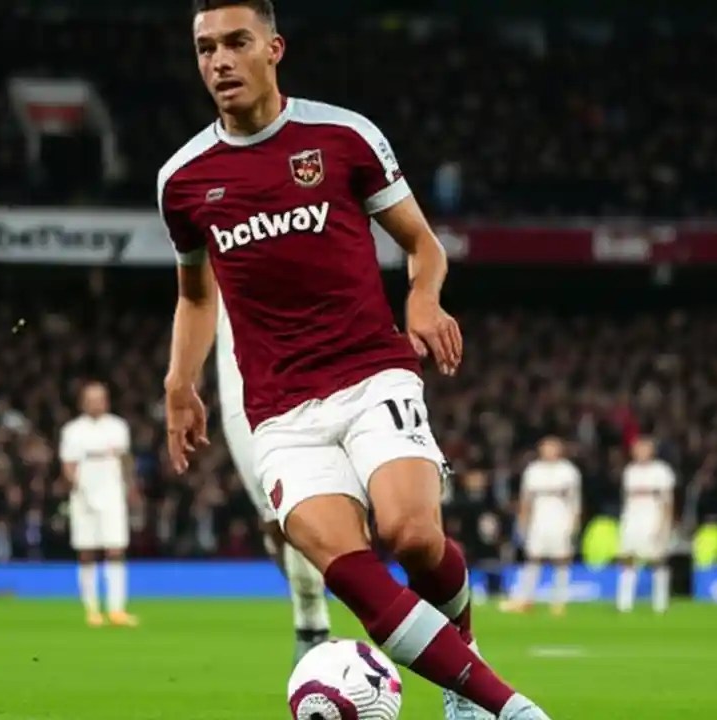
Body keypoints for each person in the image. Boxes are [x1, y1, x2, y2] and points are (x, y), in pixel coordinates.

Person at [158, 2, 551, 718]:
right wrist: (180, 382)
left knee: (413, 537)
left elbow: (423, 244)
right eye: (205, 47)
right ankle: (511, 710)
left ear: (273, 48)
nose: (219, 61)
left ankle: (464, 665)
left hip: (372, 374)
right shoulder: (183, 181)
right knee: (359, 579)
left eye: (235, 43)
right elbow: (194, 295)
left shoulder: (342, 137)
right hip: (279, 413)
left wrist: (424, 300)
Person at [216, 301, 331, 663]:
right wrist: (181, 378)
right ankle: (308, 609)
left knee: (310, 503)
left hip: (319, 344)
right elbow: (195, 293)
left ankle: (313, 625)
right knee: (274, 516)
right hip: (240, 357)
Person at [60, 381, 138, 627]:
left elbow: (125, 460)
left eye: (100, 398)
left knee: (116, 549)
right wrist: (77, 488)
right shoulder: (73, 431)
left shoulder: (118, 427)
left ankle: (116, 609)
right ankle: (92, 609)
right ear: (83, 402)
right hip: (84, 494)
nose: (96, 403)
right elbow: (68, 465)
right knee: (87, 551)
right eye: (90, 399)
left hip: (112, 492)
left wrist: (131, 488)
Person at [500, 437, 582, 616]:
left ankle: (559, 602)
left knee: (561, 560)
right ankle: (526, 600)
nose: (549, 451)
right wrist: (522, 523)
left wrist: (574, 522)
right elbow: (525, 500)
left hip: (561, 520)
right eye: (545, 447)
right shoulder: (533, 470)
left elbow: (575, 501)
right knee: (533, 558)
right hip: (538, 521)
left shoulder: (568, 471)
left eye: (552, 447)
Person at [615, 438, 676, 614]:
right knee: (628, 559)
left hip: (653, 519)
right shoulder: (629, 471)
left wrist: (665, 523)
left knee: (657, 560)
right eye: (637, 449)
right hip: (632, 520)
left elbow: (667, 501)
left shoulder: (662, 471)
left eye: (644, 449)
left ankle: (660, 603)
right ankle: (624, 603)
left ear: (651, 451)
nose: (640, 452)